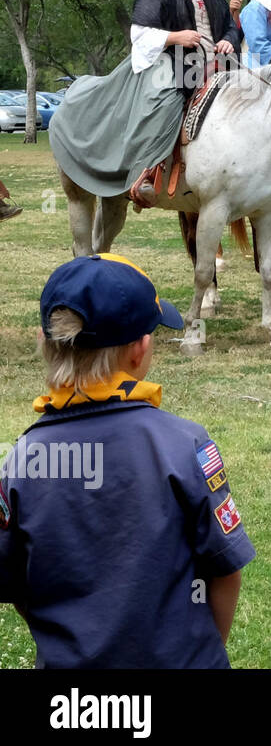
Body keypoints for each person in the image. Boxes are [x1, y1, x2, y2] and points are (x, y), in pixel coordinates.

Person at [0, 254, 255, 668]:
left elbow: (15, 584)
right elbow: (224, 570)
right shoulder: (183, 443)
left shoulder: (22, 459)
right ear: (140, 349)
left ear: (46, 344)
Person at [49, 0, 240, 210]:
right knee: (164, 99)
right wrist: (176, 37)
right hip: (170, 62)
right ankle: (147, 172)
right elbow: (139, 33)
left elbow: (232, 27)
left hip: (219, 64)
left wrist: (228, 40)